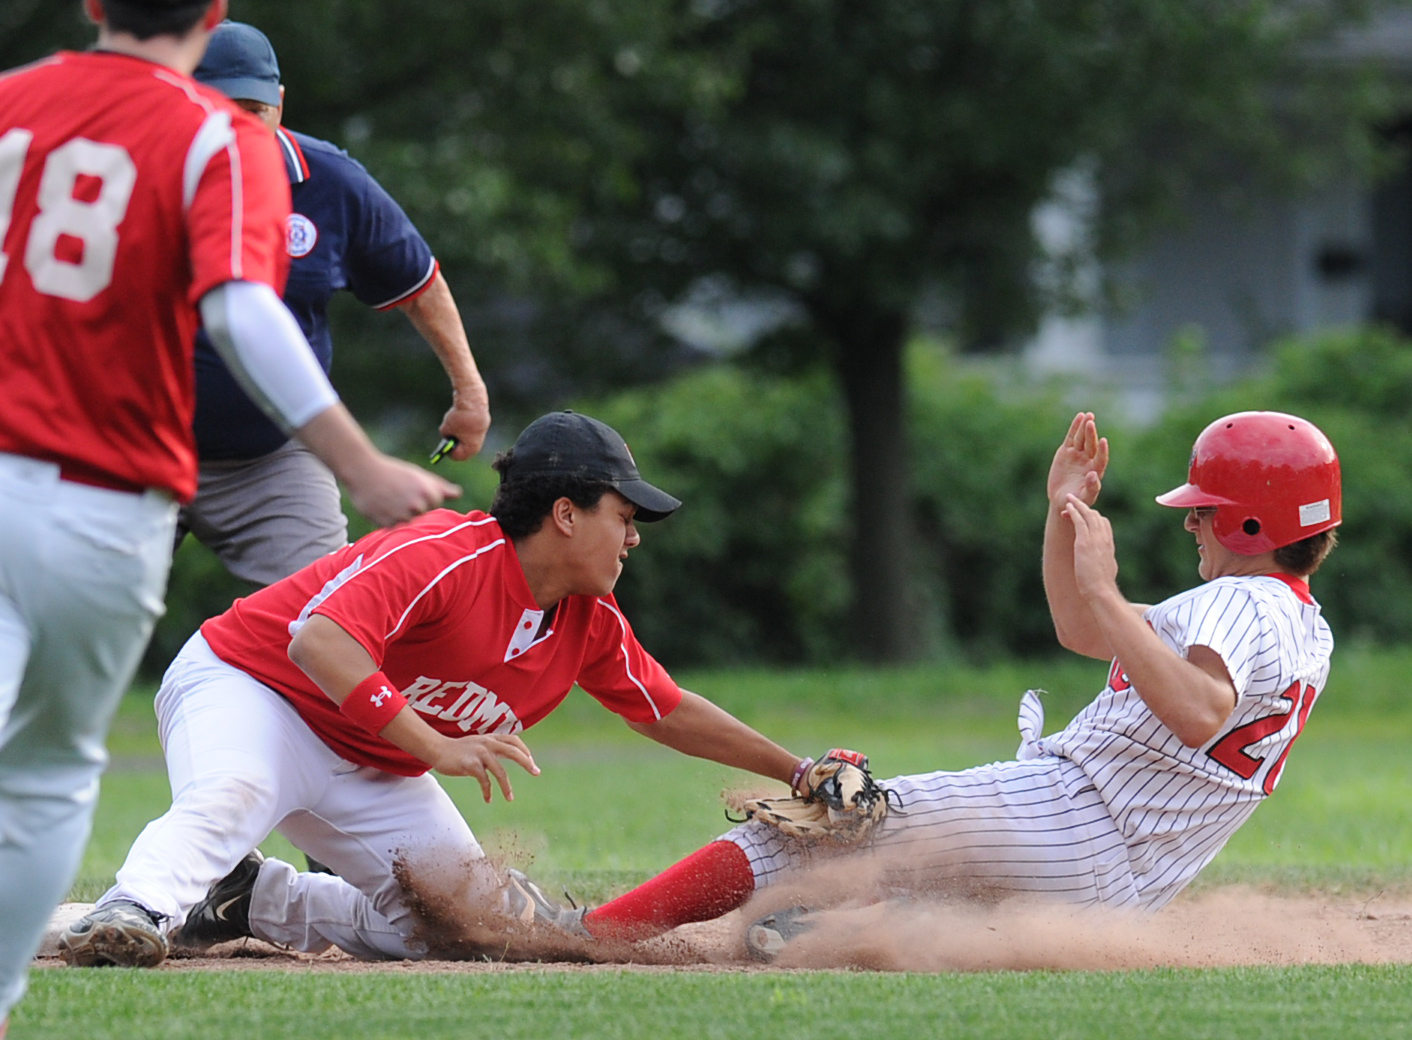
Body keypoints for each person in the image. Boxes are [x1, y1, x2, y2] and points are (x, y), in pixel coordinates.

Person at [0, 0, 458, 1029]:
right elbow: (240, 308)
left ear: (90, 7)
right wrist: (359, 458)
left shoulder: (12, 105)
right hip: (102, 490)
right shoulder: (216, 137)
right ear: (206, 16)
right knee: (43, 774)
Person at [533, 410, 1341, 956]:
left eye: (1205, 508)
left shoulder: (1237, 600)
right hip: (1120, 885)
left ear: (1251, 524)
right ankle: (832, 930)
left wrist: (1104, 584)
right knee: (867, 907)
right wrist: (1064, 515)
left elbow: (1200, 709)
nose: (1192, 520)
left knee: (811, 827)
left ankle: (586, 933)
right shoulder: (1301, 625)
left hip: (1070, 819)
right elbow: (1085, 633)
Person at [56, 411, 820, 968]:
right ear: (564, 514)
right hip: (254, 688)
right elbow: (317, 640)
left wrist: (796, 771)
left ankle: (250, 900)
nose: (634, 535)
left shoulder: (590, 619)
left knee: (462, 924)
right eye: (622, 514)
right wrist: (431, 745)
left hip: (369, 753)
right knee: (239, 788)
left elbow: (664, 708)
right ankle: (133, 909)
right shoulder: (447, 553)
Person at [184, 20, 492, 589]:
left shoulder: (329, 182)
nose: (236, 126)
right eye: (216, 108)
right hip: (138, 448)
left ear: (279, 103)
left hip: (272, 456)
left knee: (324, 617)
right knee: (60, 621)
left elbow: (419, 284)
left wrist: (469, 393)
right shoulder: (134, 172)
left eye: (252, 108)